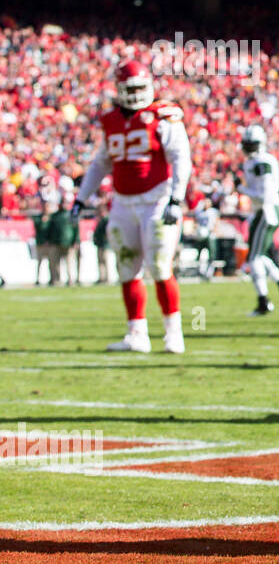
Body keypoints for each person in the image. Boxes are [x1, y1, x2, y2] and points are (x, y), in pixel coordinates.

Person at [73, 60, 189, 353]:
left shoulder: (162, 115)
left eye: (141, 87)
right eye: (132, 88)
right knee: (127, 266)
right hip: (123, 202)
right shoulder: (110, 120)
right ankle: (136, 334)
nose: (137, 93)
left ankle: (173, 333)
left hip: (157, 199)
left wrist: (176, 198)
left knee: (160, 265)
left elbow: (180, 158)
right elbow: (101, 162)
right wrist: (81, 197)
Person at [239, 125, 279, 316]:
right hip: (267, 210)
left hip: (266, 209)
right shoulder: (256, 161)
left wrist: (240, 189)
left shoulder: (261, 162)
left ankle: (263, 301)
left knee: (254, 257)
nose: (248, 148)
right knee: (261, 255)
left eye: (251, 144)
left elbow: (264, 194)